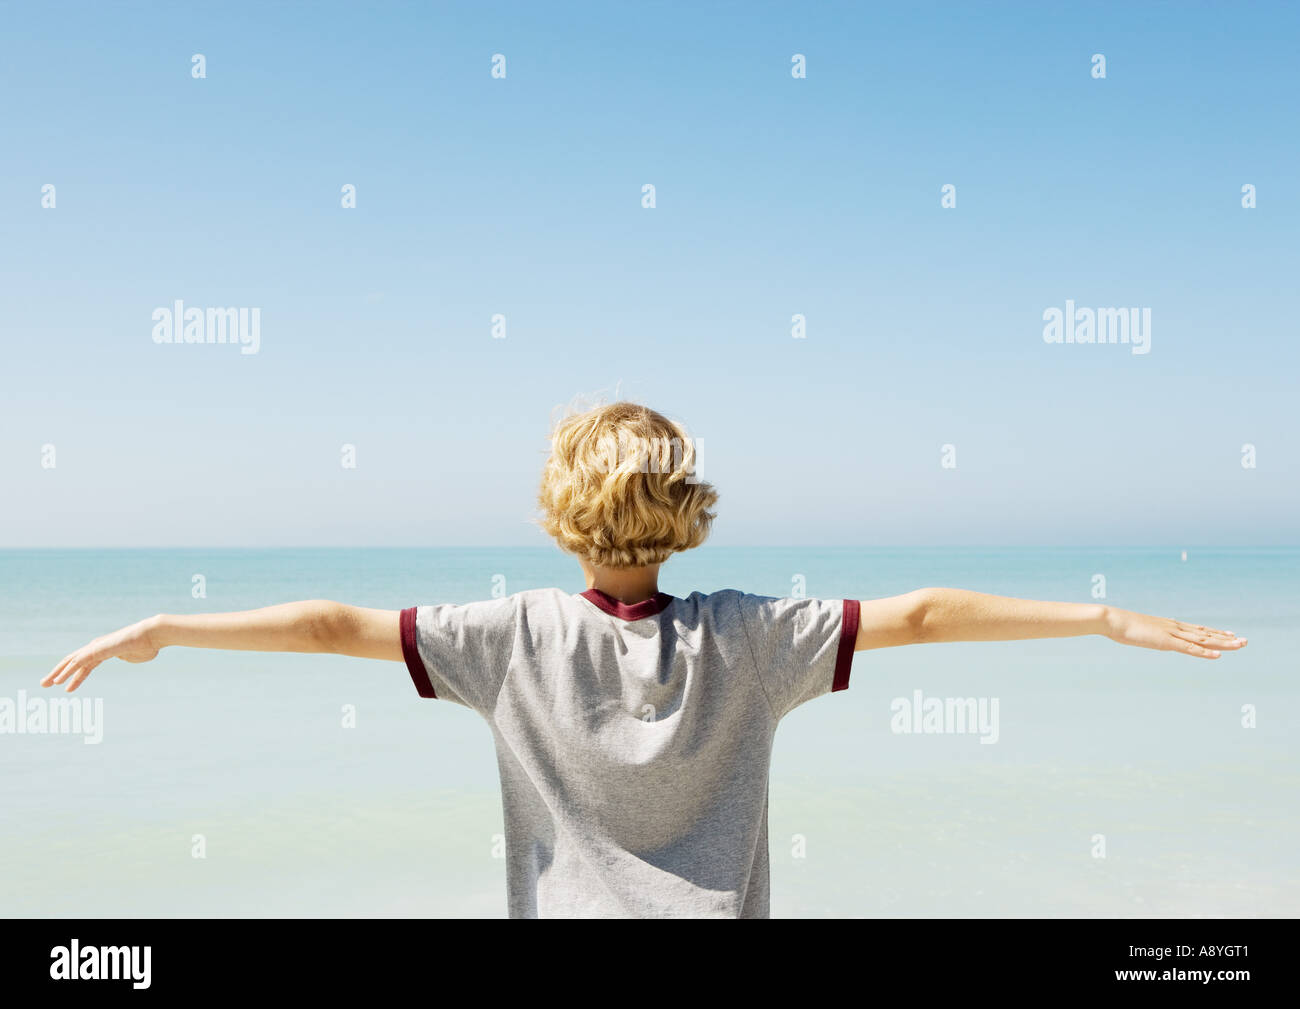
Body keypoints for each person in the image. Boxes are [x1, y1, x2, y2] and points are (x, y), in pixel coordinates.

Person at [41, 401, 1247, 918]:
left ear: (559, 513)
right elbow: (925, 612)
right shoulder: (753, 636)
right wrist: (1097, 618)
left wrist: (159, 628)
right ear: (687, 510)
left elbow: (324, 626)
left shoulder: (503, 636)